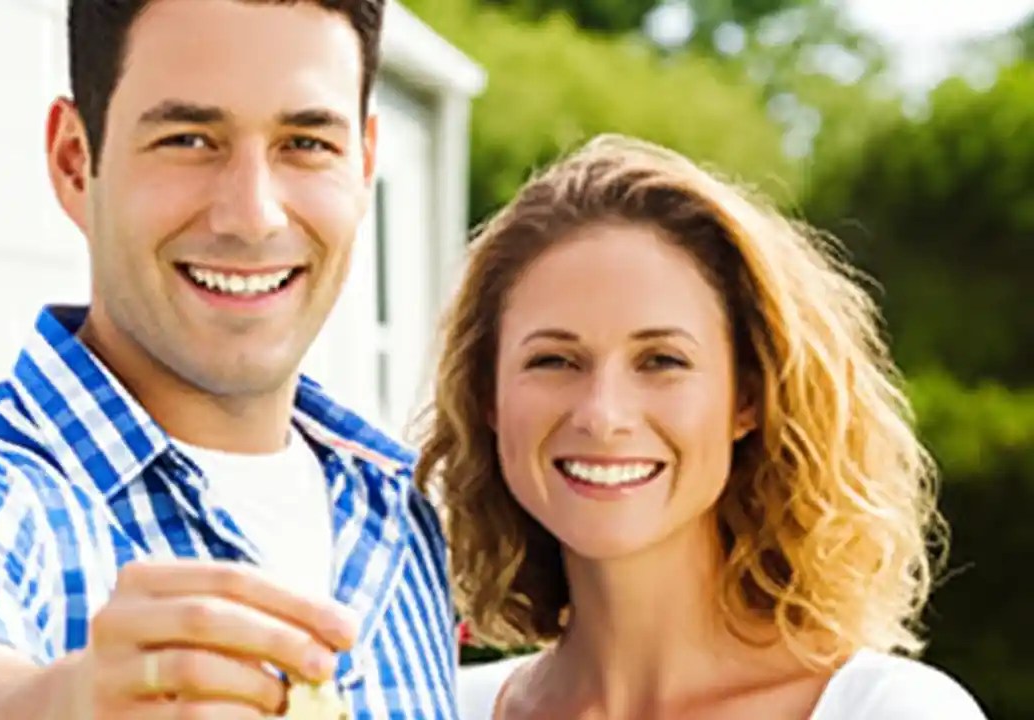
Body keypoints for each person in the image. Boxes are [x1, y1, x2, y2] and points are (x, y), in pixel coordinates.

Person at [0, 1, 457, 718]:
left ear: (363, 164)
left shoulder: (401, 511)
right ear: (74, 162)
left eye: (305, 143)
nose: (253, 216)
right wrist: (63, 703)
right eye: (189, 140)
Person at [414, 134, 988, 719]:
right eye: (554, 360)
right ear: (487, 396)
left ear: (749, 396)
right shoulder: (435, 707)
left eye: (662, 360)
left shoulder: (888, 709)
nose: (603, 415)